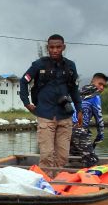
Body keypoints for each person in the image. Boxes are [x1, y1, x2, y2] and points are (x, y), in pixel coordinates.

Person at [19, 34, 82, 173]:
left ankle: (58, 185)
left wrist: (79, 109)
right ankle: (46, 186)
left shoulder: (70, 66)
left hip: (65, 117)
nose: (55, 50)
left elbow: (74, 90)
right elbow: (23, 81)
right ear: (48, 48)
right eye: (52, 47)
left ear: (63, 47)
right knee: (47, 155)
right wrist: (26, 103)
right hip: (45, 115)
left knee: (63, 156)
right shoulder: (38, 64)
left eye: (58, 47)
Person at [73, 72, 108, 144]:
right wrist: (100, 137)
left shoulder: (77, 92)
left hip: (65, 132)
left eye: (104, 86)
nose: (102, 88)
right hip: (80, 133)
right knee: (90, 155)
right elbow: (99, 121)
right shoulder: (95, 97)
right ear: (92, 82)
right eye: (100, 84)